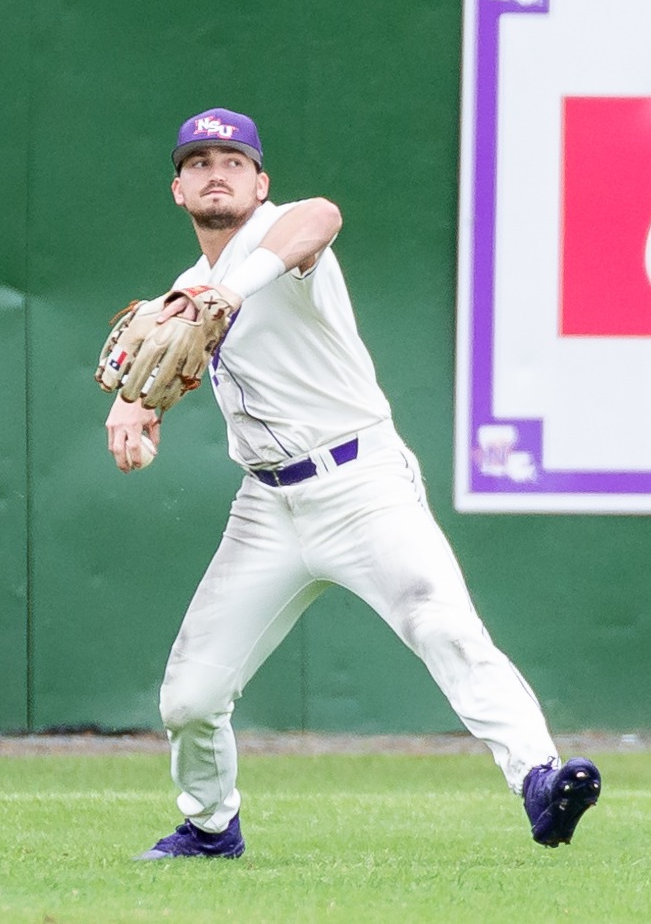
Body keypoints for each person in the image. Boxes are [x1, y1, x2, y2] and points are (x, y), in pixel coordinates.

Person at [104, 107, 600, 860]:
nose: (216, 173)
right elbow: (169, 361)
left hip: (362, 483)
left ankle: (538, 778)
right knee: (190, 698)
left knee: (441, 621)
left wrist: (232, 292)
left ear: (260, 183)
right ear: (178, 190)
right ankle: (209, 828)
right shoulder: (187, 289)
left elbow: (322, 216)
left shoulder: (282, 239)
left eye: (234, 162)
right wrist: (136, 405)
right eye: (198, 163)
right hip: (267, 506)